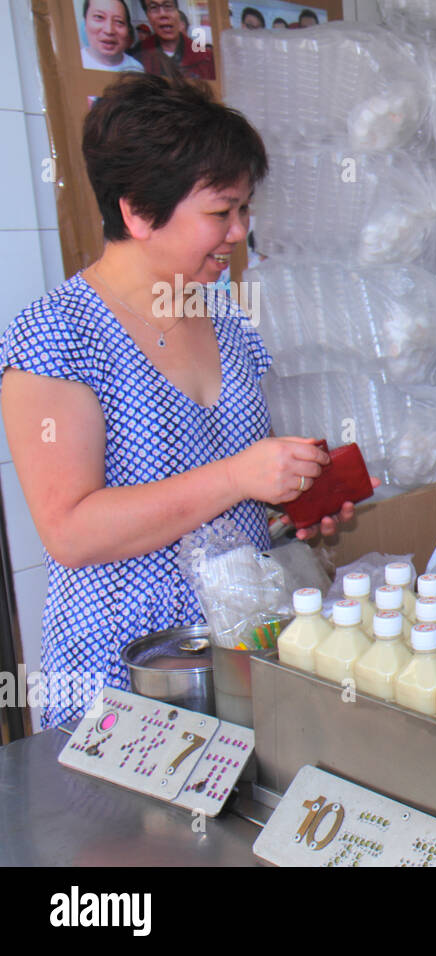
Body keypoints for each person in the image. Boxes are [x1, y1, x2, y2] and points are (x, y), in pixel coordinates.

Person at [0, 74, 369, 728]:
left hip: (240, 642)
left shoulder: (225, 317)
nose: (237, 232)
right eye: (220, 212)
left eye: (245, 210)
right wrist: (237, 476)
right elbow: (71, 531)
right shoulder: (57, 334)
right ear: (139, 211)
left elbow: (230, 489)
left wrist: (289, 504)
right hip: (124, 669)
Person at [129, 0, 215, 80]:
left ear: (177, 12)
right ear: (147, 16)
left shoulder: (205, 58)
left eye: (168, 5)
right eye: (153, 8)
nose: (163, 14)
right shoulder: (137, 57)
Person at [81, 0, 144, 73]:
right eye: (99, 17)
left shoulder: (136, 69)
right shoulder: (73, 62)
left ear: (128, 30)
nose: (109, 30)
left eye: (119, 21)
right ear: (85, 22)